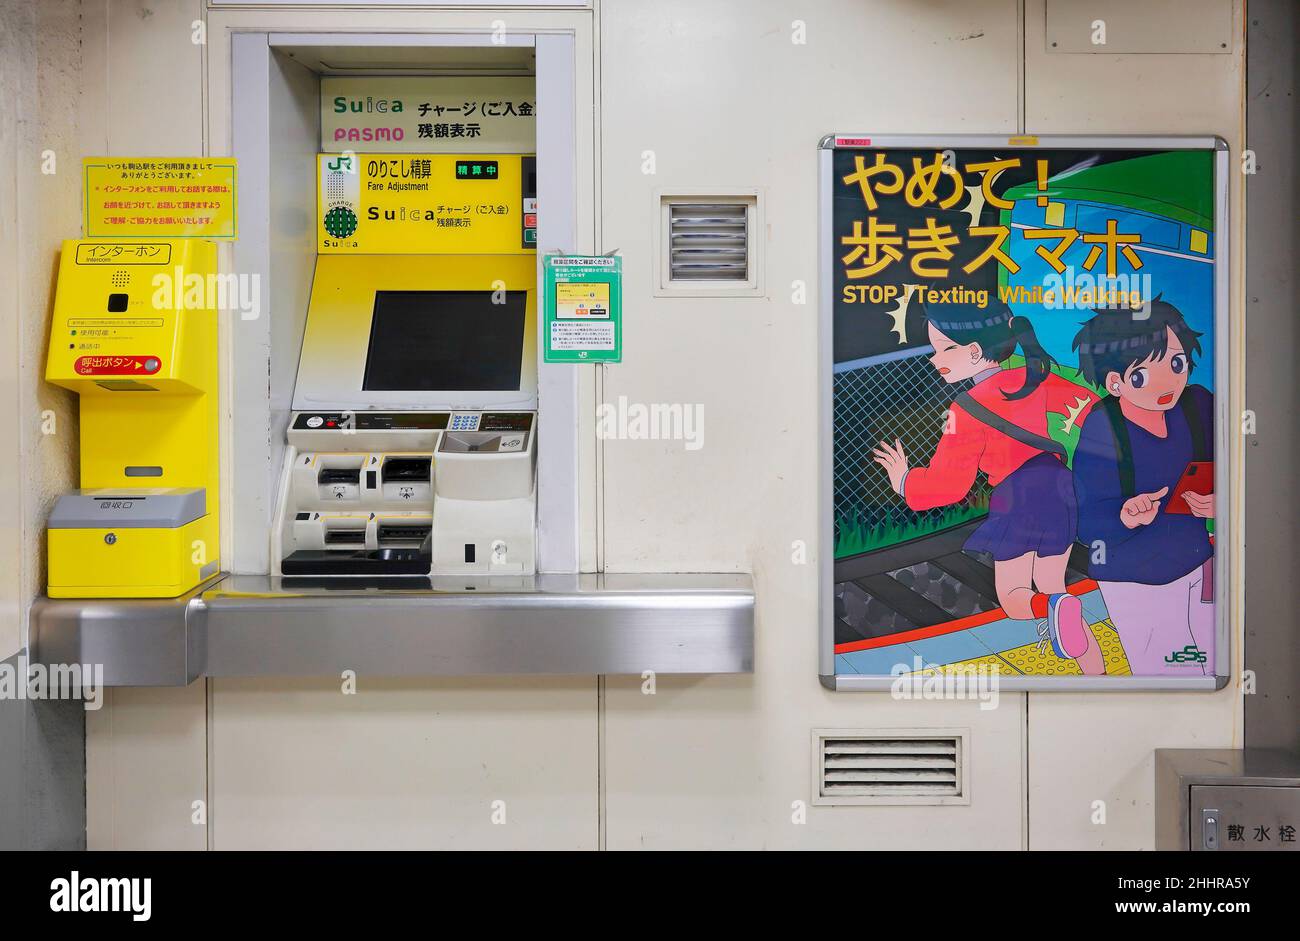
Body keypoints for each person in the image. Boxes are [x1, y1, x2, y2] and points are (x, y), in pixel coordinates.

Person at [873, 298, 1103, 673]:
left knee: (1014, 598)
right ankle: (1095, 672)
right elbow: (1089, 405)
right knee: (1054, 586)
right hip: (1060, 487)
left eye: (943, 348)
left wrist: (904, 481)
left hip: (1018, 495)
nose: (935, 359)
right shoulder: (1035, 376)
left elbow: (950, 485)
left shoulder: (967, 408)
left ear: (975, 351)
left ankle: (1053, 609)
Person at [1071, 299, 1214, 676]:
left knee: (1214, 668)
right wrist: (1125, 515)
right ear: (1114, 382)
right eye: (1142, 375)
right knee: (1169, 678)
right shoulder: (1104, 428)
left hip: (1200, 563)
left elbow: (1241, 466)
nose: (1168, 382)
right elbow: (1086, 520)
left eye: (1176, 364)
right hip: (1135, 579)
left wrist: (1224, 502)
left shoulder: (1198, 405)